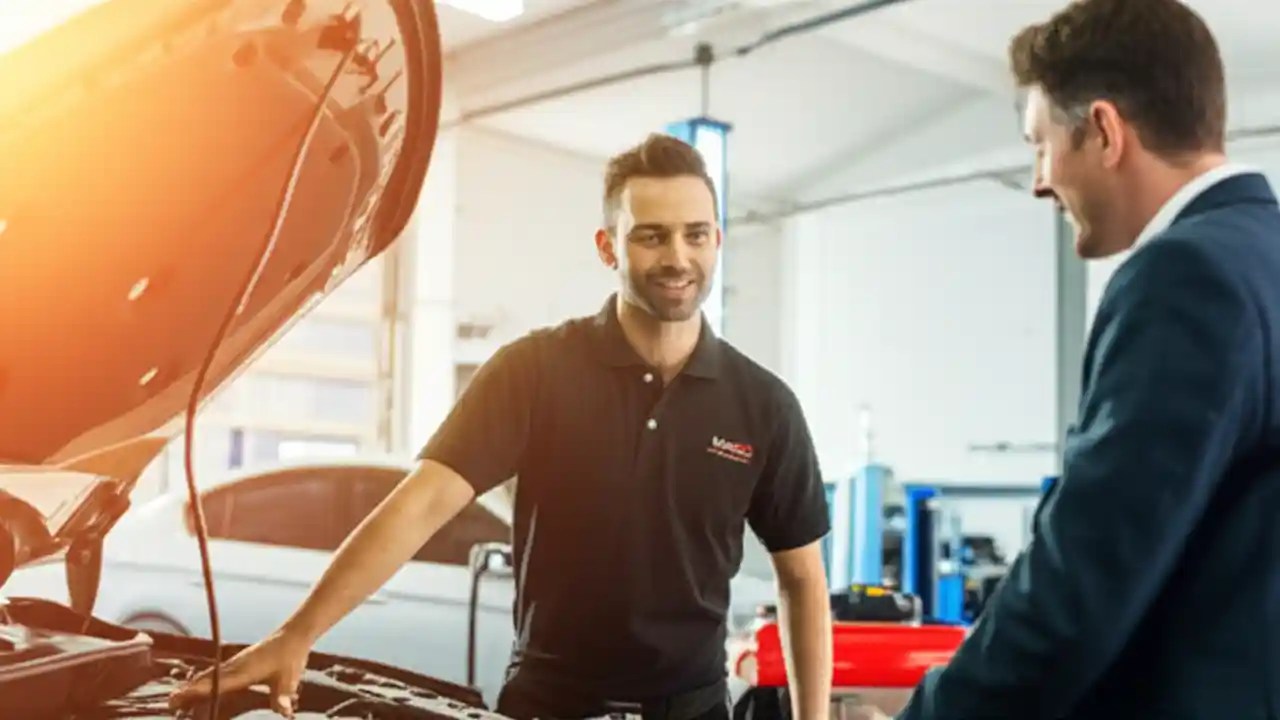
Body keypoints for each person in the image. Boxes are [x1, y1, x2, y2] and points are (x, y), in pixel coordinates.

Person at [169, 133, 834, 720]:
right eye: (651, 235)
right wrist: (298, 634)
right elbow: (419, 505)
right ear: (608, 246)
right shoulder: (535, 372)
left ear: (717, 240)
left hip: (690, 710)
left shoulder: (764, 407)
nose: (677, 257)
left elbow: (802, 581)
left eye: (695, 234)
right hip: (550, 703)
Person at [858, 1, 1280, 718]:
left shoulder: (1184, 277)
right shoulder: (1261, 257)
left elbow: (1080, 586)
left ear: (1106, 132)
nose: (1037, 181)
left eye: (1040, 143)